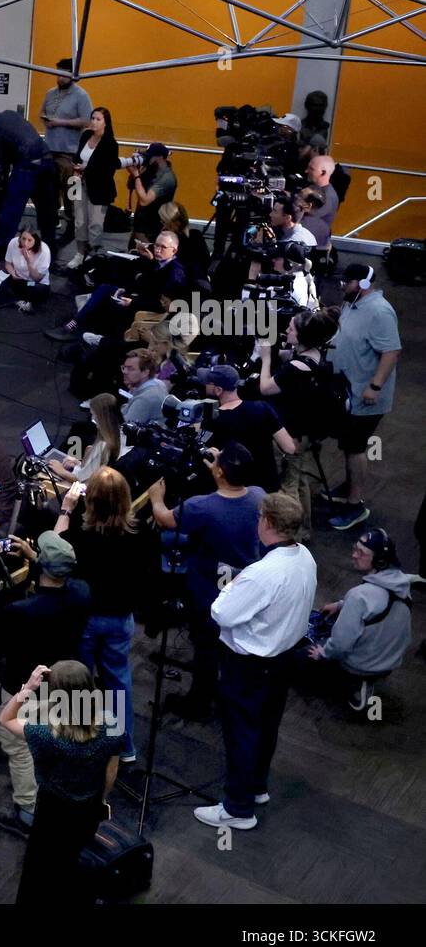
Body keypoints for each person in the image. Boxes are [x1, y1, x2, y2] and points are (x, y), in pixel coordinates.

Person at [195, 493, 315, 830]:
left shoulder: (262, 573)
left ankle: (237, 808)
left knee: (241, 733)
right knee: (266, 727)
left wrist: (230, 589)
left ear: (269, 523)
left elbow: (222, 612)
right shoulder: (305, 557)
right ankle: (256, 787)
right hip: (283, 658)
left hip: (249, 664)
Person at [0, 533, 91, 837]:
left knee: (20, 750)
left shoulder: (23, 612)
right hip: (62, 687)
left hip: (22, 689)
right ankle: (50, 789)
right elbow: (64, 580)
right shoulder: (82, 592)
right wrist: (36, 558)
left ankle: (27, 811)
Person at [149, 443, 266, 720]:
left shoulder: (202, 507)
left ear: (222, 472)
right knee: (226, 643)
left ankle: (199, 703)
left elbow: (165, 519)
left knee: (205, 645)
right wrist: (219, 465)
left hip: (208, 589)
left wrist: (156, 497)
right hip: (244, 581)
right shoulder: (260, 495)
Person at [0, 660, 122, 904]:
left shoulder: (46, 735)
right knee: (72, 857)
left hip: (53, 809)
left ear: (56, 697)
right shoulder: (111, 724)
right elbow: (112, 770)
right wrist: (101, 798)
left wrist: (27, 689)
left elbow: (6, 719)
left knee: (40, 866)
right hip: (88, 806)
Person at [54, 467, 146, 760]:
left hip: (88, 619)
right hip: (121, 618)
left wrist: (66, 510)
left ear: (90, 501)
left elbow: (54, 553)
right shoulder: (139, 533)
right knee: (119, 680)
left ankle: (82, 745)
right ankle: (124, 747)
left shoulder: (82, 535)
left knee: (81, 680)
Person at [309, 529, 418, 711]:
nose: (354, 555)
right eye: (355, 549)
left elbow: (340, 645)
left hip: (363, 664)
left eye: (361, 553)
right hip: (391, 659)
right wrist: (340, 605)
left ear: (379, 561)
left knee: (301, 656)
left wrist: (322, 653)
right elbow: (377, 604)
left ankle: (357, 681)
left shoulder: (359, 596)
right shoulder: (402, 582)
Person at [328, 264, 401, 531]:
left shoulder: (380, 312)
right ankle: (348, 486)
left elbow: (391, 352)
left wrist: (375, 386)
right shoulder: (352, 303)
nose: (342, 287)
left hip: (366, 395)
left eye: (346, 283)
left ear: (362, 284)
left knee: (356, 447)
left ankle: (355, 503)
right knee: (348, 444)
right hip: (350, 389)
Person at [257, 308, 341, 540]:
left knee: (289, 484)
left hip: (290, 434)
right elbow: (294, 361)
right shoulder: (315, 355)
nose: (287, 330)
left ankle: (288, 533)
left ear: (303, 334)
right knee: (300, 477)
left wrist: (265, 359)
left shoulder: (296, 370)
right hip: (306, 432)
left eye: (291, 328)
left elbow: (266, 388)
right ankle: (304, 528)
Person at [49, 231, 187, 343]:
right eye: (156, 245)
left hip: (146, 307)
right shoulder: (158, 262)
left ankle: (81, 328)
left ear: (174, 250)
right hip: (137, 297)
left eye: (163, 247)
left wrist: (133, 302)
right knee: (105, 288)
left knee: (108, 299)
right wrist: (127, 290)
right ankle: (76, 323)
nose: (157, 250)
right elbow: (144, 281)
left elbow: (164, 304)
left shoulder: (175, 274)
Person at [0, 108, 58, 256]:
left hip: (27, 165)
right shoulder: (9, 114)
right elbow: (2, 142)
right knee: (46, 207)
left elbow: (0, 165)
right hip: (46, 160)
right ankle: (50, 245)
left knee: (12, 207)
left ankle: (1, 246)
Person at [201, 364, 296, 492]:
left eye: (208, 382)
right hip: (266, 489)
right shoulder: (262, 408)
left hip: (234, 493)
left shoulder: (211, 420)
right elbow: (289, 447)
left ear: (218, 390)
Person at [40, 59, 93, 244]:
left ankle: (73, 226)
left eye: (63, 74)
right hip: (50, 150)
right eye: (58, 73)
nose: (59, 78)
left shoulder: (81, 96)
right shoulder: (50, 94)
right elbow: (42, 112)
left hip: (69, 153)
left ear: (72, 75)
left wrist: (60, 122)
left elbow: (87, 121)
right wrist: (47, 121)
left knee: (72, 191)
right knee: (50, 191)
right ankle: (53, 222)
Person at [65, 107, 119, 268]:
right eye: (93, 118)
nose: (94, 122)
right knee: (79, 221)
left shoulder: (110, 143)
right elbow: (78, 155)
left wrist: (86, 169)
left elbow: (108, 169)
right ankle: (80, 253)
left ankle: (93, 254)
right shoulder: (86, 135)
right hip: (78, 182)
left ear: (105, 123)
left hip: (99, 188)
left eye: (98, 119)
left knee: (95, 224)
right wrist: (75, 165)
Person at [49, 393, 122, 484]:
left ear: (101, 417)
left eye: (93, 415)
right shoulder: (118, 434)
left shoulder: (103, 445)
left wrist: (60, 470)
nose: (92, 418)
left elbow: (79, 479)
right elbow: (92, 469)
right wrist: (77, 463)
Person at [0, 227, 51, 312]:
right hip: (17, 279)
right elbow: (8, 264)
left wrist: (29, 262)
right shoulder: (13, 243)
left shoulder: (44, 251)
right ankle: (18, 299)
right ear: (20, 237)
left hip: (32, 282)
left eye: (29, 240)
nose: (25, 243)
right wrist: (13, 273)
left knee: (40, 289)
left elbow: (38, 278)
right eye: (23, 239)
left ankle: (14, 298)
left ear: (35, 241)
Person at [128, 143, 177, 243]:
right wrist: (135, 171)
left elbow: (144, 201)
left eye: (150, 156)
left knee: (148, 256)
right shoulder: (149, 170)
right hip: (140, 226)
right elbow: (130, 185)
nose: (147, 158)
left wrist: (136, 175)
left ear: (160, 157)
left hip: (152, 230)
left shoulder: (166, 178)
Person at [299, 154, 340, 252]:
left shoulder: (328, 196)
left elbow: (305, 212)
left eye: (311, 169)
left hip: (311, 247)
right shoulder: (313, 187)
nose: (306, 171)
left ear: (323, 172)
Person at [120, 348, 169, 424]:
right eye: (124, 368)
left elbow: (122, 428)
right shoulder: (157, 383)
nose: (125, 372)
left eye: (130, 369)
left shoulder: (145, 398)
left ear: (145, 372)